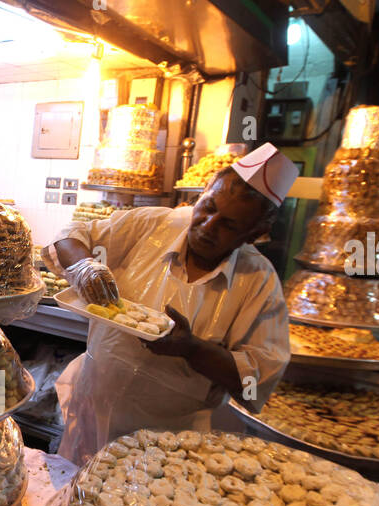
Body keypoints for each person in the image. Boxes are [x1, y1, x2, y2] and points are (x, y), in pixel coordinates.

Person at [43, 143, 298, 463]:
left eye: (229, 224)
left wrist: (192, 349)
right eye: (208, 207)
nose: (208, 226)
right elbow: (71, 235)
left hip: (169, 444)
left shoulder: (258, 282)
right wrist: (84, 268)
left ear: (255, 233)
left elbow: (255, 381)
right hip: (90, 413)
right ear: (201, 195)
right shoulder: (152, 225)